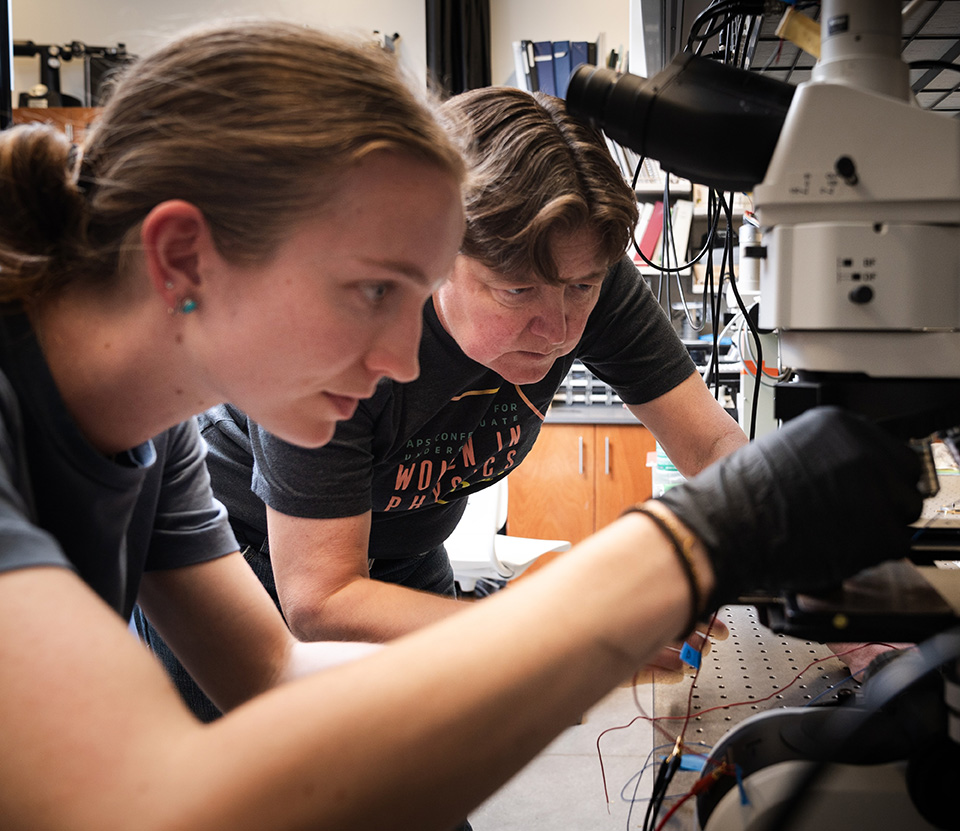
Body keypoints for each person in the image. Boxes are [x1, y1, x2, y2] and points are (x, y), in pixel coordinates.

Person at [0, 18, 924, 830]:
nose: (407, 361)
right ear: (181, 256)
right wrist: (671, 553)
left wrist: (565, 643)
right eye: (374, 290)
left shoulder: (158, 441)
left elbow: (278, 672)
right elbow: (150, 800)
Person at [140, 86, 750, 720]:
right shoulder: (339, 330)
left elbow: (712, 445)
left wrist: (713, 555)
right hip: (247, 558)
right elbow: (321, 598)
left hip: (406, 551)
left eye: (582, 288)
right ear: (434, 251)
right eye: (517, 292)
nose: (561, 331)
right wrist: (557, 625)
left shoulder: (574, 264)